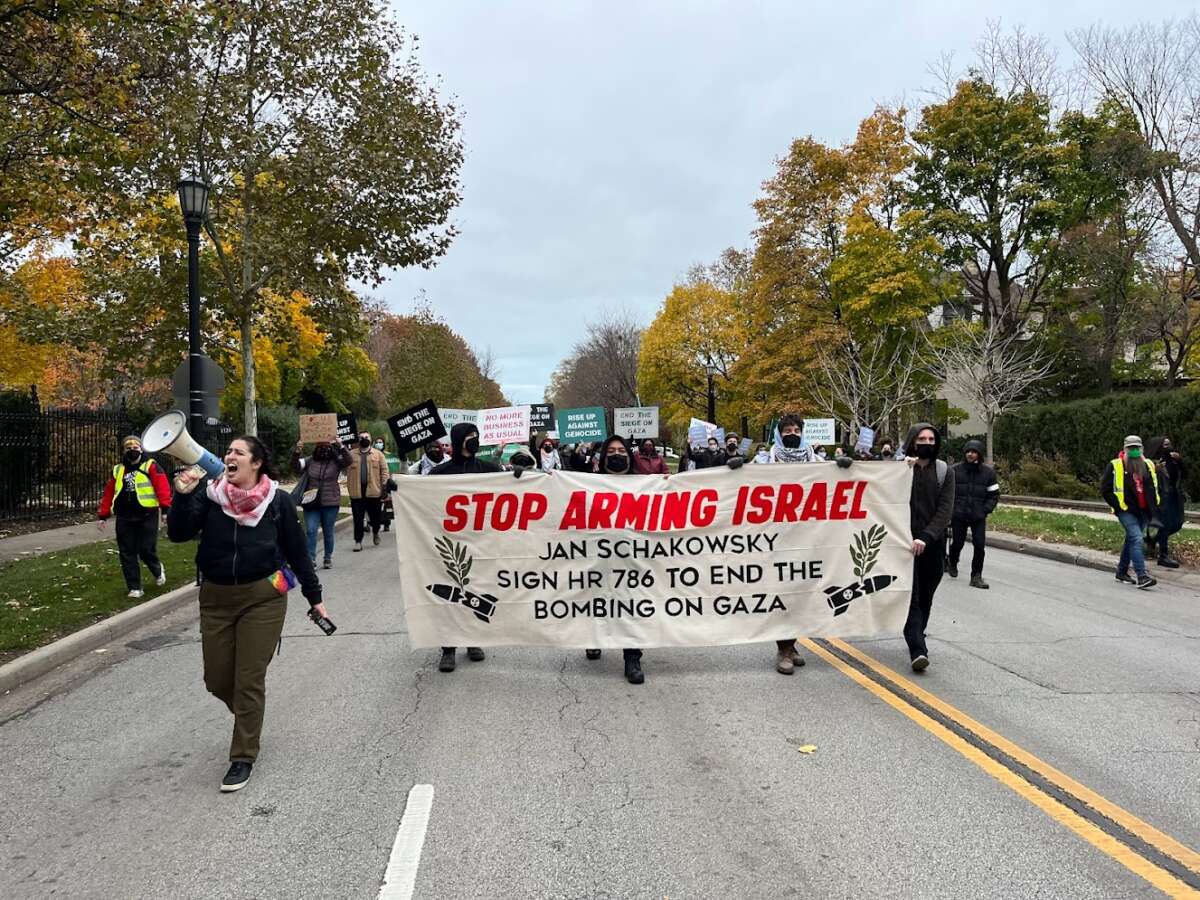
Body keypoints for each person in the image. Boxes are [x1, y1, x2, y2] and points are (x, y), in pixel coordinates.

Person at [168, 436, 326, 793]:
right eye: (228, 452)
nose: (229, 456)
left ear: (256, 463)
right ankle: (249, 718)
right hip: (216, 598)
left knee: (249, 678)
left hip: (264, 597)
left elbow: (298, 552)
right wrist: (182, 495)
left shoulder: (278, 502)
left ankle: (243, 756)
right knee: (218, 680)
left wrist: (314, 597)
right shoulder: (209, 496)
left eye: (238, 452)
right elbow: (178, 534)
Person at [429, 422, 499, 672]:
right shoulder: (440, 473)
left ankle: (473, 641)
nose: (475, 439)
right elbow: (422, 500)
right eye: (470, 436)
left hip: (481, 544)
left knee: (476, 592)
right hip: (450, 545)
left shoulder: (490, 470)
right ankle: (448, 648)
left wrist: (520, 476)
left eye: (476, 436)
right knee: (450, 596)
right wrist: (399, 488)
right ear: (459, 440)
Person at [583, 435, 648, 683]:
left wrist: (729, 475)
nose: (617, 454)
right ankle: (592, 639)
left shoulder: (643, 483)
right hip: (596, 555)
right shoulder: (588, 482)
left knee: (630, 605)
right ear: (603, 455)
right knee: (595, 598)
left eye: (621, 450)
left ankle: (632, 658)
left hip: (632, 557)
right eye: (611, 450)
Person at [902, 423, 955, 673]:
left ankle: (917, 633)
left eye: (931, 439)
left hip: (932, 543)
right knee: (910, 595)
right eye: (922, 439)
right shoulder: (899, 468)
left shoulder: (945, 471)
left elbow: (945, 510)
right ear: (912, 441)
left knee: (927, 594)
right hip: (903, 544)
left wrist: (926, 536)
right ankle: (917, 649)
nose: (927, 443)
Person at [98, 435, 172, 598]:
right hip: (124, 516)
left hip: (147, 514)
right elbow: (109, 492)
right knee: (127, 552)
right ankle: (135, 587)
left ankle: (157, 569)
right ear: (123, 451)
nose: (132, 450)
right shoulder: (118, 470)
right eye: (128, 448)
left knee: (146, 549)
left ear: (141, 449)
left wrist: (165, 510)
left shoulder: (150, 466)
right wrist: (103, 515)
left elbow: (162, 486)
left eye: (135, 447)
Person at [1101, 435, 1159, 589]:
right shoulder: (1115, 465)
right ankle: (1142, 576)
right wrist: (1119, 507)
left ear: (1141, 449)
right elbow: (1105, 489)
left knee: (1132, 540)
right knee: (1137, 538)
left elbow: (1153, 487)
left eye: (1137, 448)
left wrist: (1155, 507)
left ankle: (1121, 572)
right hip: (1126, 510)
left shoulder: (1147, 464)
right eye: (1131, 448)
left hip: (1144, 511)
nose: (1134, 451)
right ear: (1125, 449)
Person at [290, 439, 351, 569]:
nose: (323, 448)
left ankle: (327, 557)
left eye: (327, 445)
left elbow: (348, 461)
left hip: (330, 502)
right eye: (320, 445)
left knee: (328, 531)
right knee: (311, 530)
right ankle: (311, 559)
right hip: (311, 503)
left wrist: (341, 445)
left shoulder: (336, 461)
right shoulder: (310, 461)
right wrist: (297, 451)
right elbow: (294, 466)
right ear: (316, 446)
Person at [947, 439, 999, 589]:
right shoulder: (954, 470)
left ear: (979, 454)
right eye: (968, 451)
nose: (970, 454)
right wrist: (951, 510)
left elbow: (994, 494)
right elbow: (946, 492)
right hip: (959, 515)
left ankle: (976, 576)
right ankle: (952, 561)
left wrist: (985, 510)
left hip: (978, 516)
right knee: (957, 543)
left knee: (979, 545)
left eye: (974, 452)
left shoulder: (988, 473)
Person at [1146, 436, 1187, 569]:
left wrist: (1180, 461)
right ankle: (1163, 556)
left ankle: (1152, 540)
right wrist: (1156, 469)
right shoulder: (1153, 462)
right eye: (1165, 444)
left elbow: (1185, 475)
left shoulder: (1174, 461)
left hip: (1174, 495)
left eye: (1169, 443)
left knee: (1178, 523)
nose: (1168, 446)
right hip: (1161, 497)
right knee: (1165, 525)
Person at [345, 430, 390, 551]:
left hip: (373, 491)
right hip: (357, 491)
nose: (364, 439)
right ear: (358, 440)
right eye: (361, 437)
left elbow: (384, 471)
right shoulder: (351, 454)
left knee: (375, 517)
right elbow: (343, 464)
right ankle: (358, 541)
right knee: (358, 518)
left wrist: (384, 487)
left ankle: (376, 532)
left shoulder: (378, 454)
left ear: (370, 439)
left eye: (366, 437)